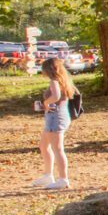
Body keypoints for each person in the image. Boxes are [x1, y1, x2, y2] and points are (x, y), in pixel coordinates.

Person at [32, 56, 79, 190]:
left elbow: (56, 97)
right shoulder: (64, 81)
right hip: (60, 115)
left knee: (57, 149)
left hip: (55, 117)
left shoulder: (54, 81)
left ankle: (63, 179)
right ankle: (48, 175)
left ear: (49, 70)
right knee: (44, 145)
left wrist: (45, 103)